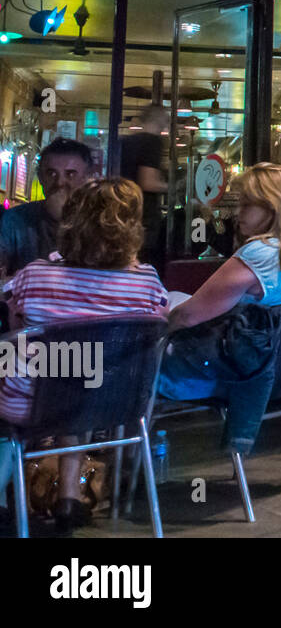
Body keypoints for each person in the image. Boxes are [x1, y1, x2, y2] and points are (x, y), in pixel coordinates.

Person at [0, 178, 169, 531]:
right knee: (76, 374)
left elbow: (16, 326)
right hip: (116, 402)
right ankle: (69, 497)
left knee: (44, 369)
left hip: (34, 402)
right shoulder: (147, 282)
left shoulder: (36, 275)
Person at [158, 163, 281, 454]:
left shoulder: (259, 254)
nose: (236, 213)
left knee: (132, 363)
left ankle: (116, 468)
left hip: (236, 378)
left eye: (245, 205)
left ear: (273, 208)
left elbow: (187, 316)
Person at [0, 138, 93, 277]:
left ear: (86, 178)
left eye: (70, 174)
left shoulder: (99, 222)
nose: (60, 182)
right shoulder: (15, 219)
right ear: (40, 177)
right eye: (52, 174)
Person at [120, 105, 169, 269]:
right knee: (145, 262)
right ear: (160, 119)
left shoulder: (126, 141)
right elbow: (147, 182)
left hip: (123, 211)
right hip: (144, 215)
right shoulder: (152, 142)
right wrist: (172, 187)